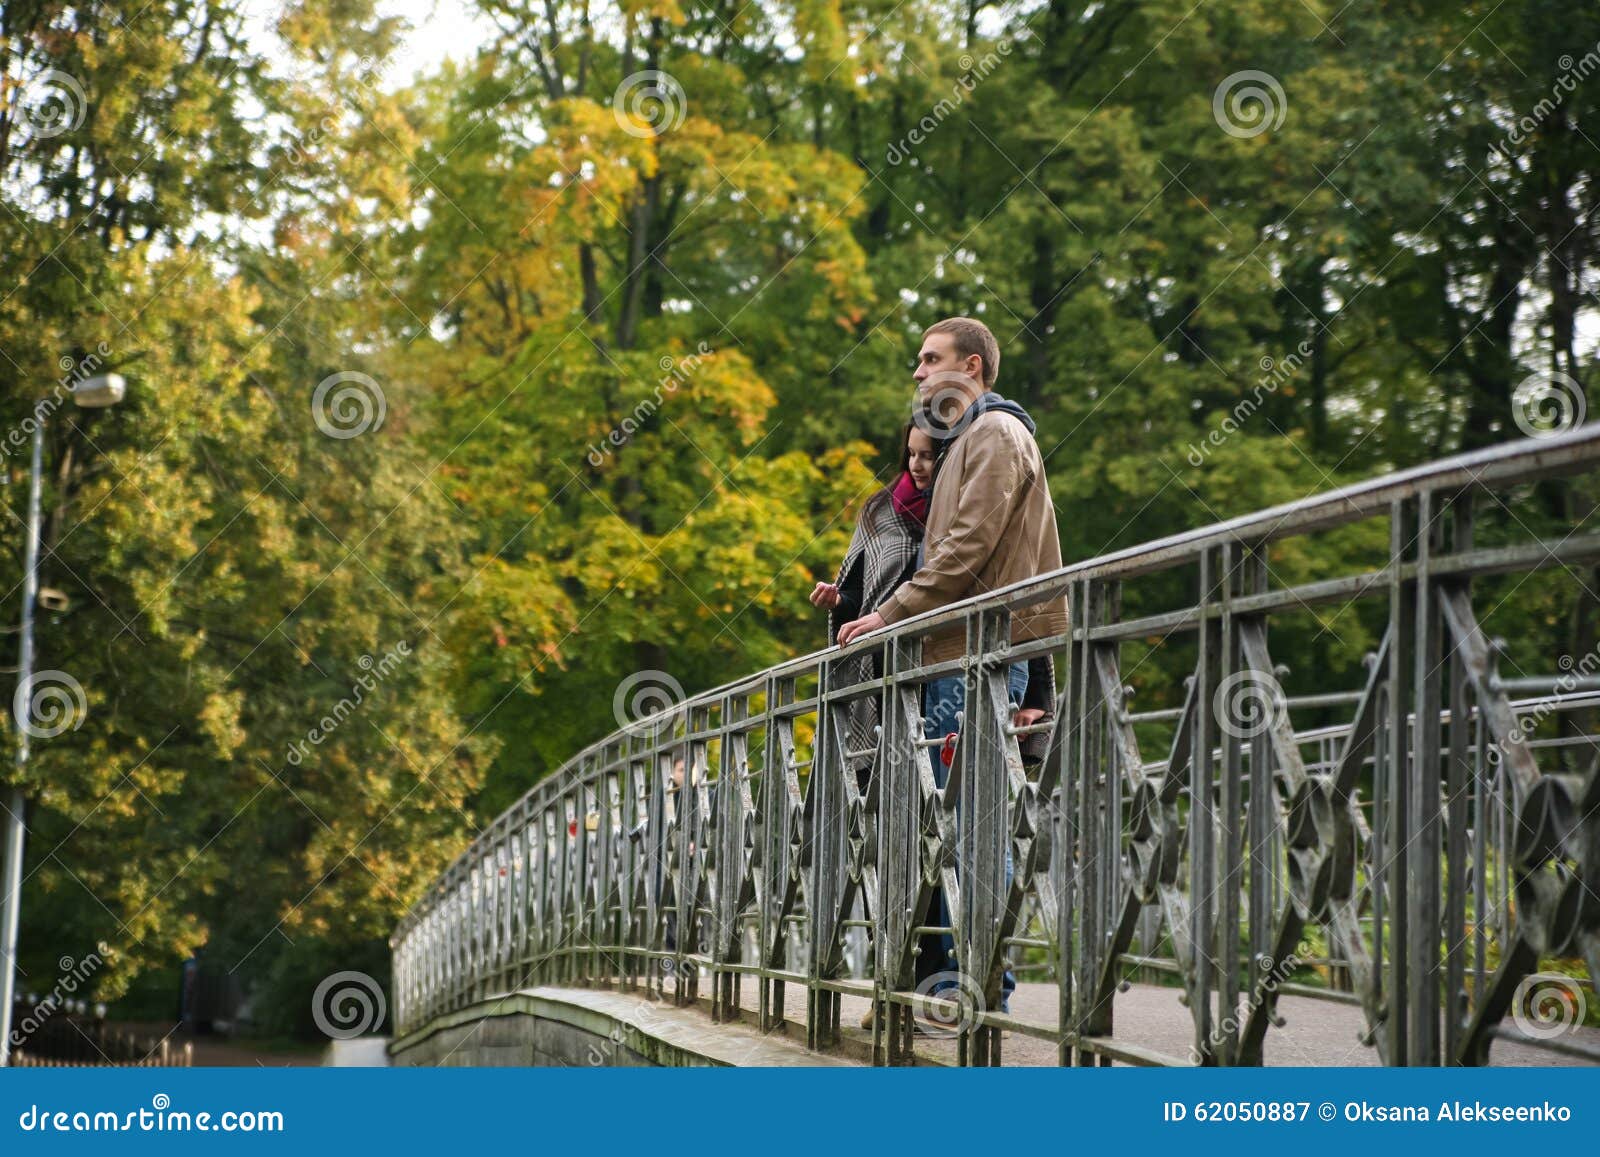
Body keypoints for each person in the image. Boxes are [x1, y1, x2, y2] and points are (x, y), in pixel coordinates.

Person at [837, 316, 1069, 1016]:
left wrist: (889, 613)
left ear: (971, 367)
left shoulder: (996, 435)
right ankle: (936, 983)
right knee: (936, 827)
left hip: (976, 657)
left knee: (969, 829)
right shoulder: (970, 440)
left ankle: (980, 989)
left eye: (929, 358)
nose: (918, 371)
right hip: (954, 655)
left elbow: (969, 548)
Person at [811, 421, 936, 789]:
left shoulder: (959, 507)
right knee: (879, 783)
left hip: (935, 662)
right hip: (880, 663)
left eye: (927, 456)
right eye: (911, 454)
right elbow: (856, 595)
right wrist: (837, 599)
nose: (916, 465)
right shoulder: (879, 510)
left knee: (930, 780)